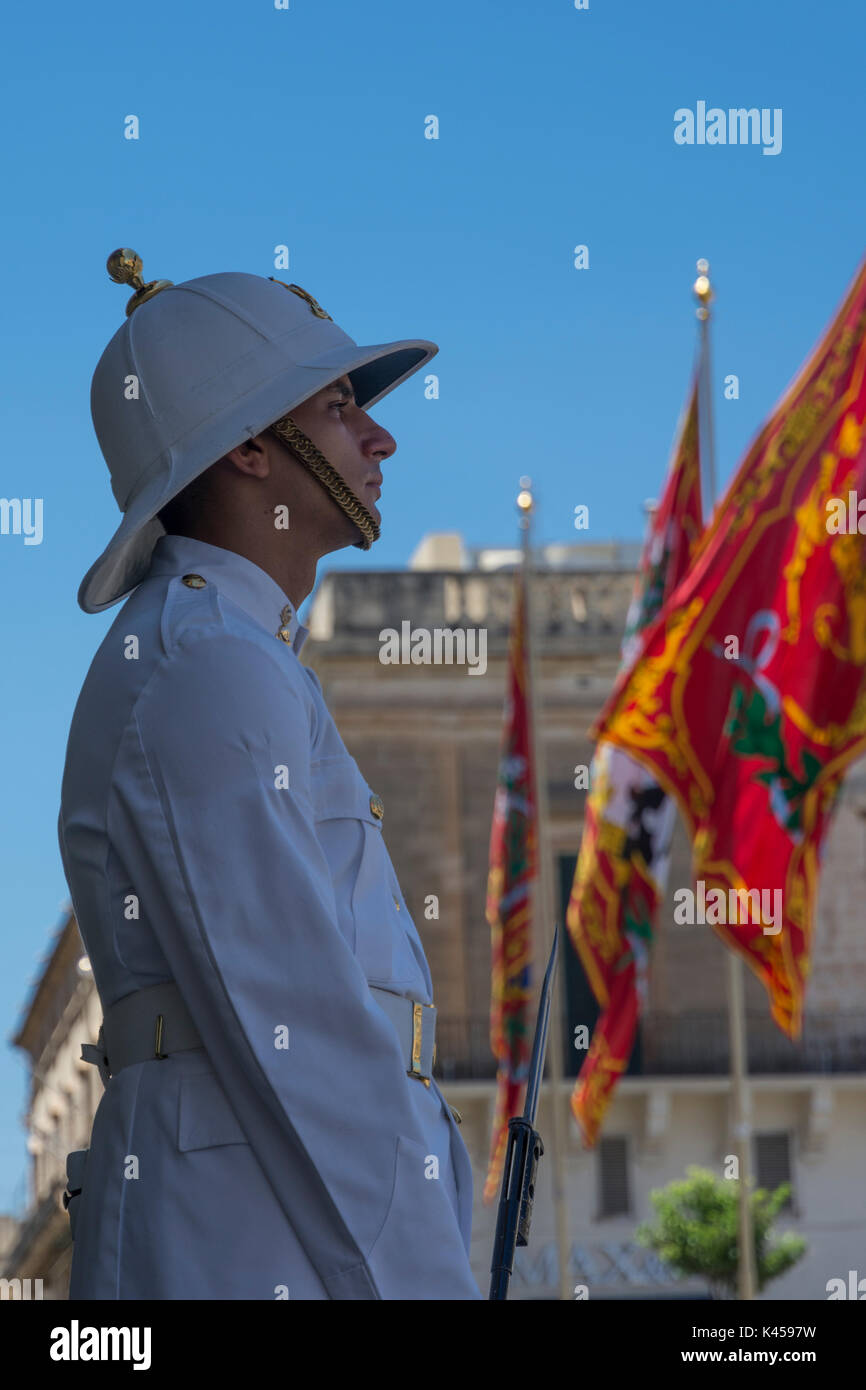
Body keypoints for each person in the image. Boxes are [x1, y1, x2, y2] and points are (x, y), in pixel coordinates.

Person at [58, 250, 482, 1300]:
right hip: (249, 1228)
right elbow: (298, 1026)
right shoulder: (206, 660)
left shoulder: (232, 652)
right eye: (340, 407)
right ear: (250, 445)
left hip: (264, 1215)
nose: (379, 436)